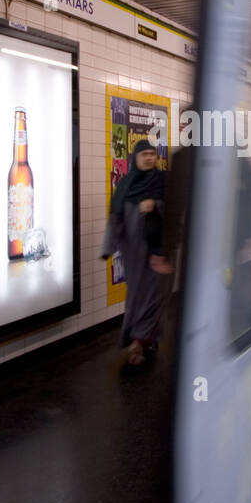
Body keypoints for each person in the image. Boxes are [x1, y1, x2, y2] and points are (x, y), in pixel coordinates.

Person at [101, 140, 171, 366]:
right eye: (144, 154)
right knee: (137, 295)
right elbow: (116, 217)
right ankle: (142, 338)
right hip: (132, 251)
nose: (149, 158)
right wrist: (108, 247)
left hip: (157, 250)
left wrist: (155, 205)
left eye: (152, 154)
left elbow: (175, 209)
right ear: (135, 158)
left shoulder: (162, 180)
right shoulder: (125, 184)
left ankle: (138, 342)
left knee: (153, 296)